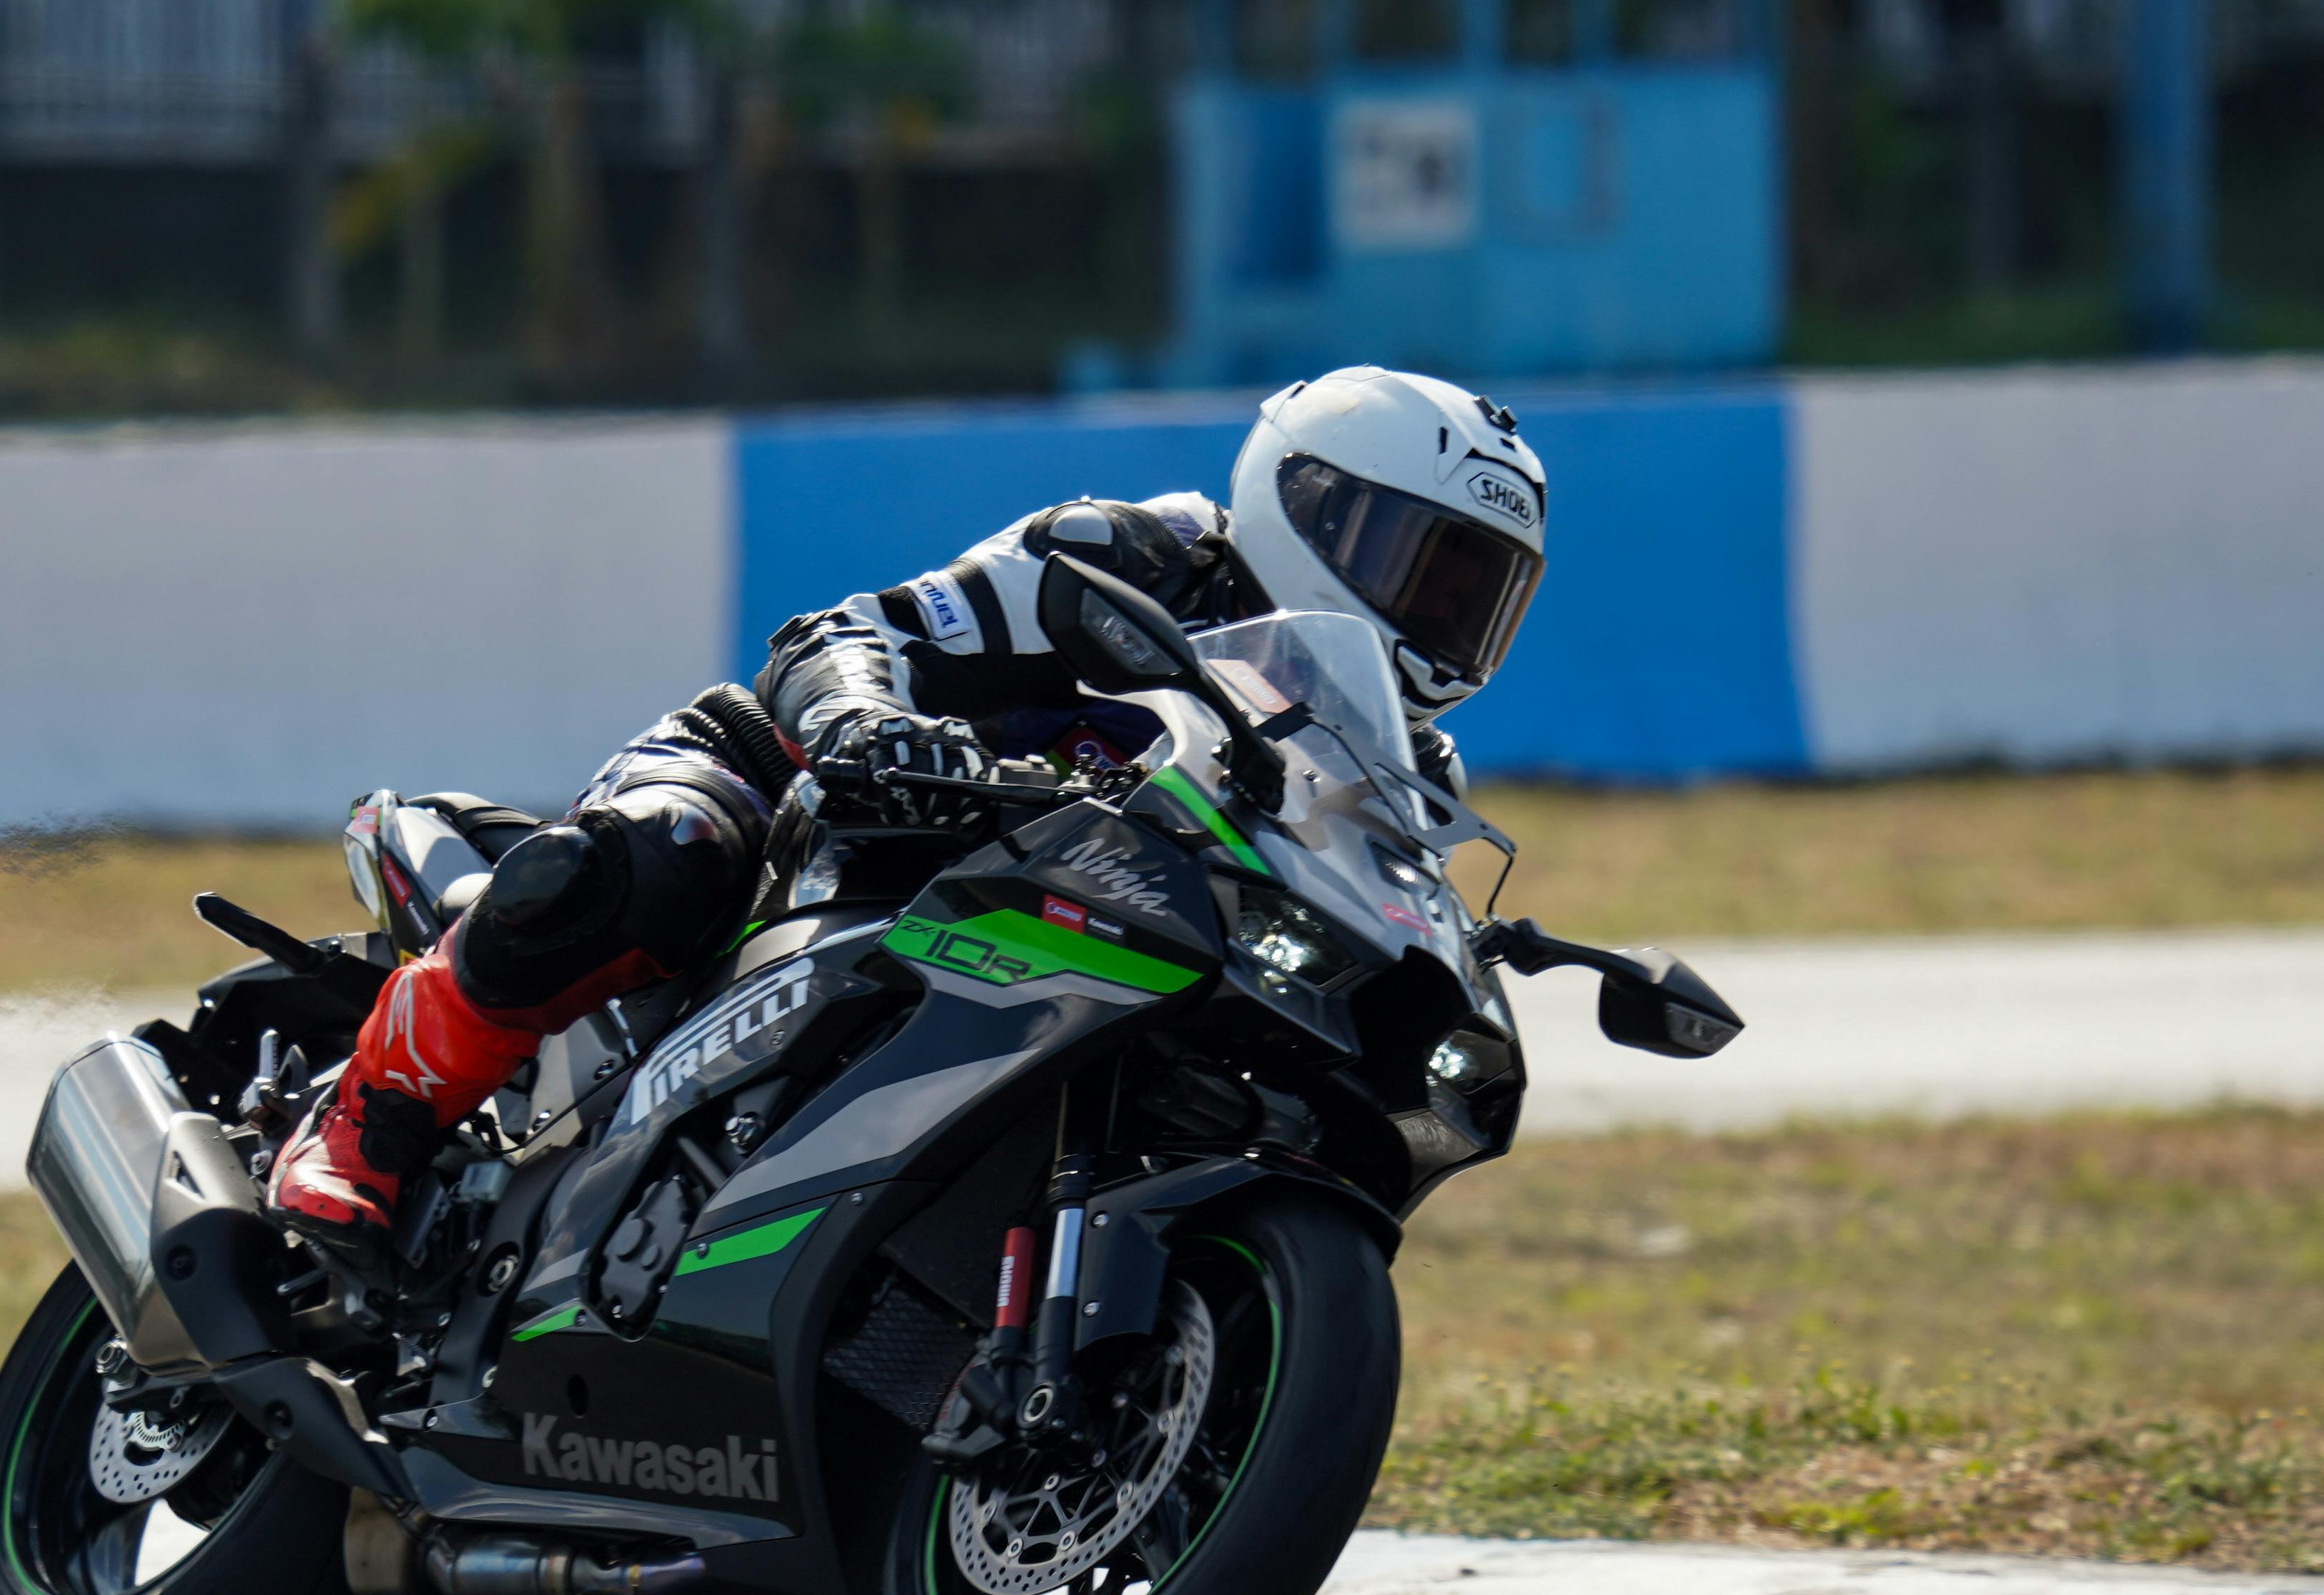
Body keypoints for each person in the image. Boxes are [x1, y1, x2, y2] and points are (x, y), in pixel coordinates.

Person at [267, 366, 1550, 1255]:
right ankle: (368, 1120)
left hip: (1042, 920)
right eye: (1407, 558)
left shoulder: (1392, 755)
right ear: (1303, 498)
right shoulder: (1128, 555)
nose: (1425, 615)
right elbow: (846, 635)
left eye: (1467, 594)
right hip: (802, 804)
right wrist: (866, 725)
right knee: (659, 862)